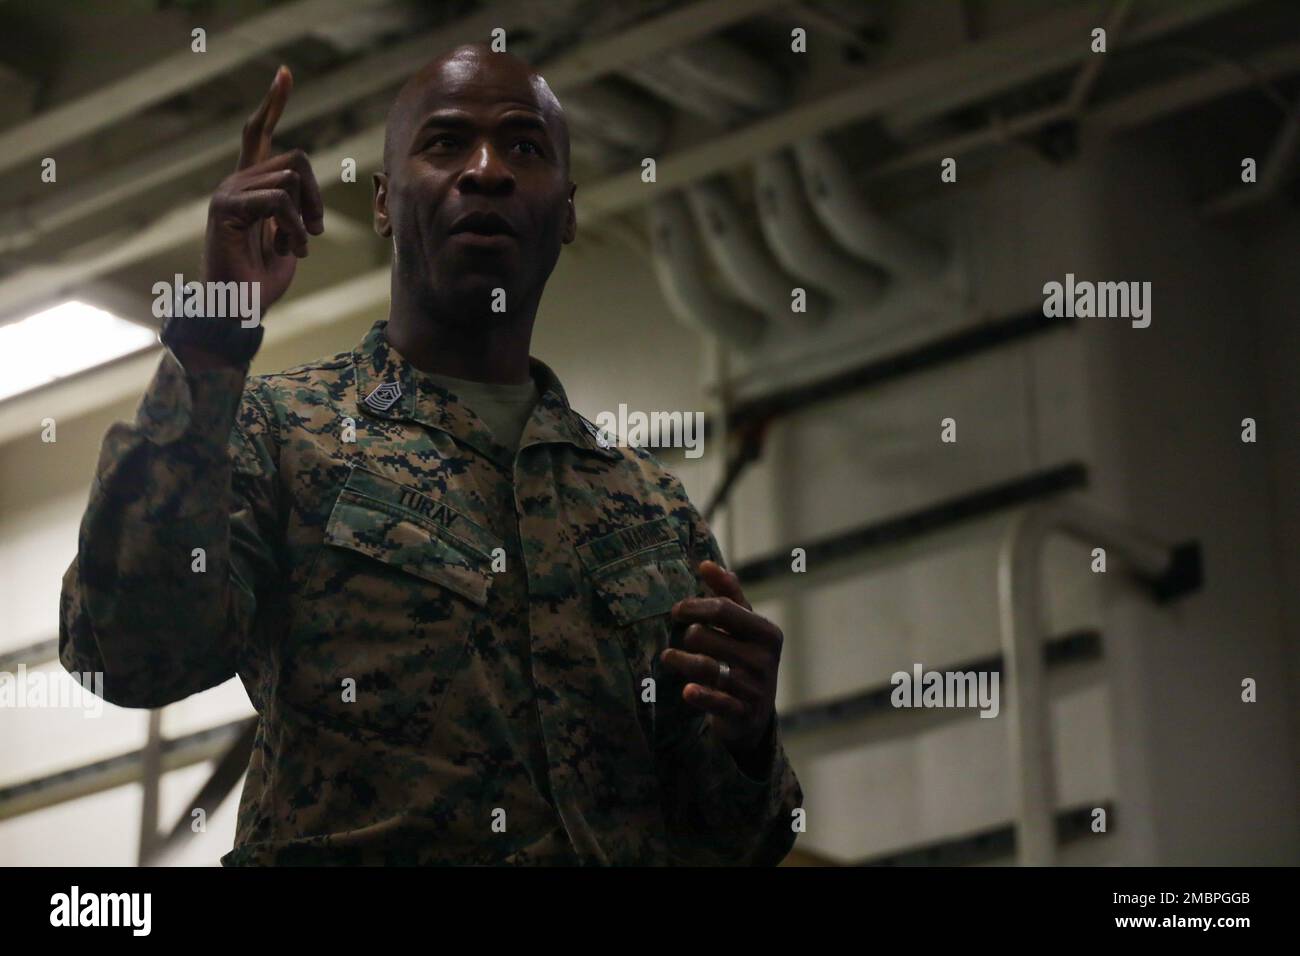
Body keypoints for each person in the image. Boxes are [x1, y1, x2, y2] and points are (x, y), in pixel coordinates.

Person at [59, 43, 802, 865]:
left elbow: (739, 843)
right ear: (382, 202)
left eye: (524, 147)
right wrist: (212, 332)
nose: (486, 171)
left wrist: (748, 739)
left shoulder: (650, 510)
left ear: (567, 212)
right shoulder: (281, 432)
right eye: (445, 143)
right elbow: (124, 654)